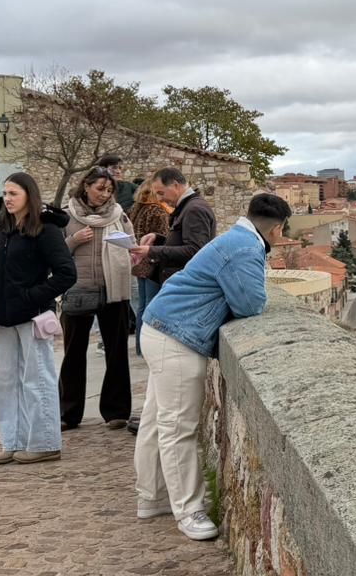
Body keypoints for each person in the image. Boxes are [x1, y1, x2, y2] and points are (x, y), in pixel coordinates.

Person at [133, 192, 290, 541]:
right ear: (277, 230)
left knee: (157, 420)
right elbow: (251, 304)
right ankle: (189, 511)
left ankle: (152, 497)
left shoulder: (233, 239)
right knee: (178, 427)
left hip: (159, 326)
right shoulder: (246, 249)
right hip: (178, 336)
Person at [0, 172, 76, 464]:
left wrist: (32, 296)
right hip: (2, 316)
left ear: (28, 196)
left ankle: (45, 441)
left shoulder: (44, 230)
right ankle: (13, 440)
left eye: (14, 193)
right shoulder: (0, 226)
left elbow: (66, 273)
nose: (8, 199)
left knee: (37, 378)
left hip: (33, 316)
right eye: (5, 193)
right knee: (6, 381)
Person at [124, 167, 217, 432]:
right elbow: (185, 243)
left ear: (176, 185)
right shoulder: (189, 207)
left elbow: (195, 251)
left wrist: (153, 250)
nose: (162, 199)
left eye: (163, 193)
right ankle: (154, 415)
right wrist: (161, 238)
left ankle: (161, 417)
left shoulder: (195, 209)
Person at [59, 167, 135, 430]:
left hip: (114, 291)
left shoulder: (119, 216)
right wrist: (74, 240)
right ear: (86, 187)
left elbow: (131, 246)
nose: (105, 195)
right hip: (79, 290)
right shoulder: (67, 217)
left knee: (116, 353)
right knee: (73, 354)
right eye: (100, 189)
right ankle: (68, 414)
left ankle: (117, 412)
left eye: (109, 190)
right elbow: (56, 254)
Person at [127, 182, 171, 357]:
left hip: (139, 263)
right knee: (152, 307)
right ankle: (148, 348)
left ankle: (140, 346)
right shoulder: (157, 211)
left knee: (142, 307)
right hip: (153, 263)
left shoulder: (136, 210)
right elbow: (164, 237)